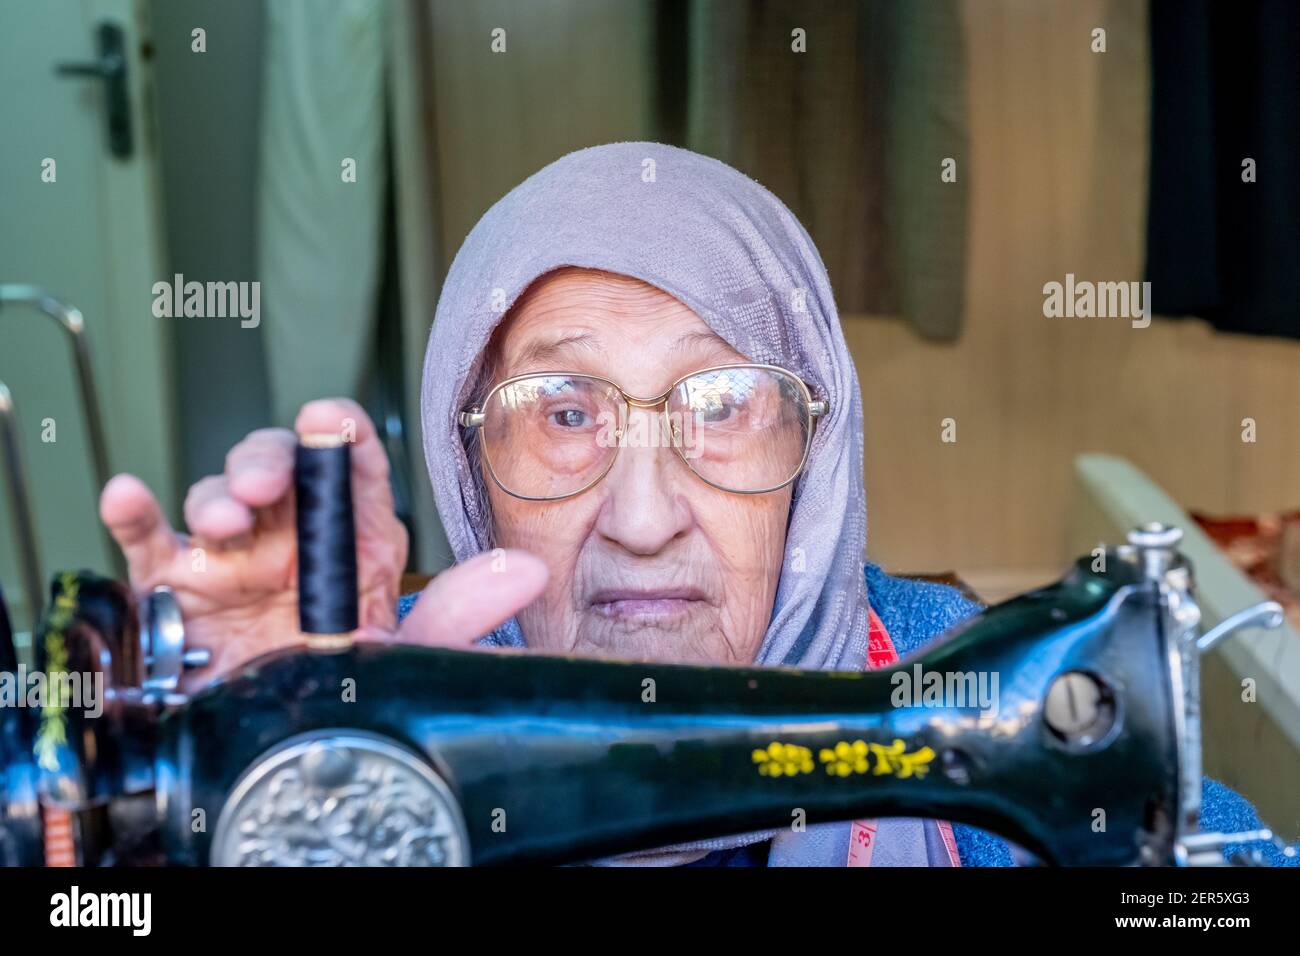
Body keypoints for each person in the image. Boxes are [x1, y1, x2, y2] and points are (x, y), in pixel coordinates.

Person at [98, 143, 1291, 866]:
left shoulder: (962, 688)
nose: (643, 512)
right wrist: (224, 791)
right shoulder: (371, 709)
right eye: (564, 411)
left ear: (815, 446)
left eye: (721, 402)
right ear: (469, 466)